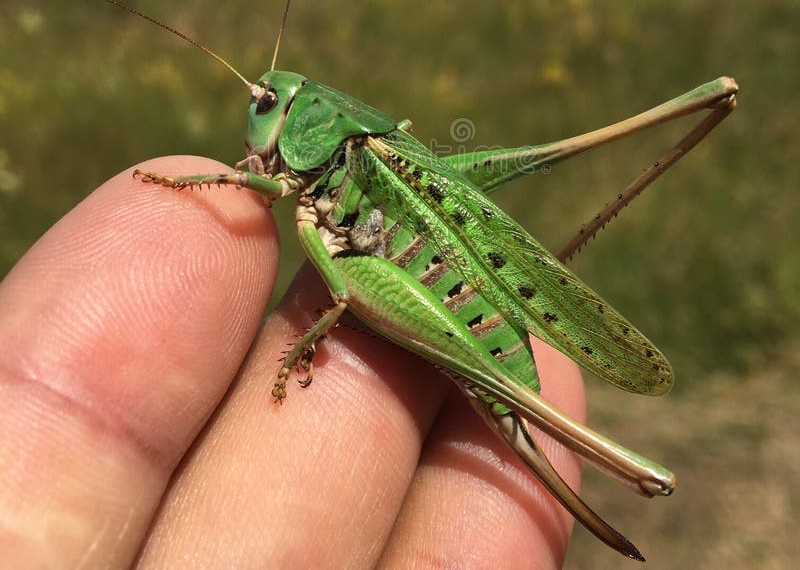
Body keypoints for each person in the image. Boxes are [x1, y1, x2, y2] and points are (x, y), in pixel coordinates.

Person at [0, 156, 584, 568]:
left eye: (268, 105)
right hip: (429, 289)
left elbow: (339, 287)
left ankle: (511, 391)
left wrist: (291, 359)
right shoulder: (333, 170)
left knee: (343, 293)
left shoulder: (336, 172)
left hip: (461, 320)